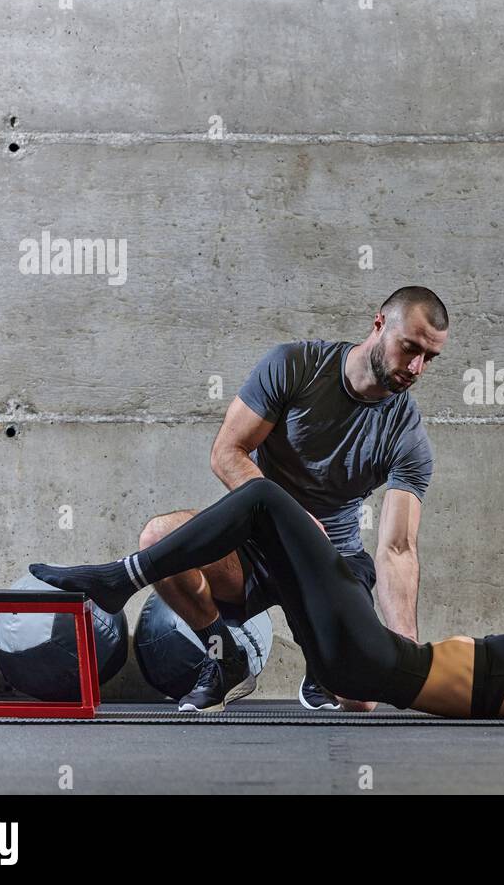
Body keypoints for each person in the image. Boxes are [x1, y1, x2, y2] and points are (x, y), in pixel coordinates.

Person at [30, 438, 504, 724]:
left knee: (268, 502)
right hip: (360, 655)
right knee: (276, 524)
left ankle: (122, 580)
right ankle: (206, 628)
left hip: (371, 658)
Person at [136, 286, 446, 711]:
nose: (416, 368)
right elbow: (227, 453)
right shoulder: (295, 366)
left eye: (429, 358)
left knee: (362, 701)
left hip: (333, 561)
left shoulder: (407, 435)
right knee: (159, 540)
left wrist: (407, 651)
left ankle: (321, 665)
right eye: (409, 348)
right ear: (378, 324)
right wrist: (290, 517)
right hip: (255, 548)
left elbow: (397, 547)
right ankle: (225, 660)